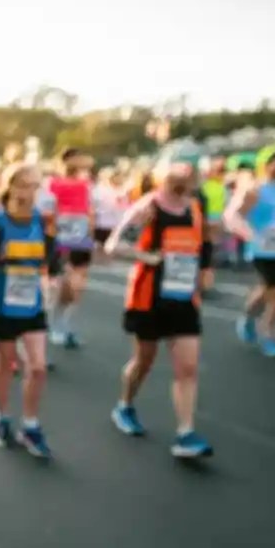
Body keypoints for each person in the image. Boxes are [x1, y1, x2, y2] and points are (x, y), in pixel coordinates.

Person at [103, 162, 214, 458]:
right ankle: (124, 405)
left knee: (188, 367)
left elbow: (203, 243)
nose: (189, 183)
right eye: (182, 178)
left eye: (192, 177)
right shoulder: (147, 207)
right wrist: (146, 256)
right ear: (164, 178)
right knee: (144, 360)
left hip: (183, 298)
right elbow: (114, 246)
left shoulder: (194, 208)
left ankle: (186, 434)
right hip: (148, 298)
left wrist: (205, 269)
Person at [0, 164, 54, 459]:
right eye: (23, 185)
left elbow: (49, 258)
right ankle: (1, 415)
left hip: (32, 303)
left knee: (37, 367)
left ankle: (31, 426)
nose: (29, 192)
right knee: (8, 365)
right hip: (2, 304)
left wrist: (52, 278)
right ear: (11, 187)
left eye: (34, 186)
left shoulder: (43, 220)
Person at [225, 146, 275, 358]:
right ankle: (267, 334)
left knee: (271, 291)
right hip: (262, 249)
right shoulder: (255, 189)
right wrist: (251, 235)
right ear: (269, 164)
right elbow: (232, 216)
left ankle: (249, 316)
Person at [45, 148, 97, 349]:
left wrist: (91, 234)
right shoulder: (54, 184)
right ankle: (54, 324)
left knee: (78, 285)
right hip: (61, 235)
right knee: (62, 284)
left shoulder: (87, 185)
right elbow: (49, 210)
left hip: (80, 235)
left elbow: (90, 209)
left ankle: (65, 325)